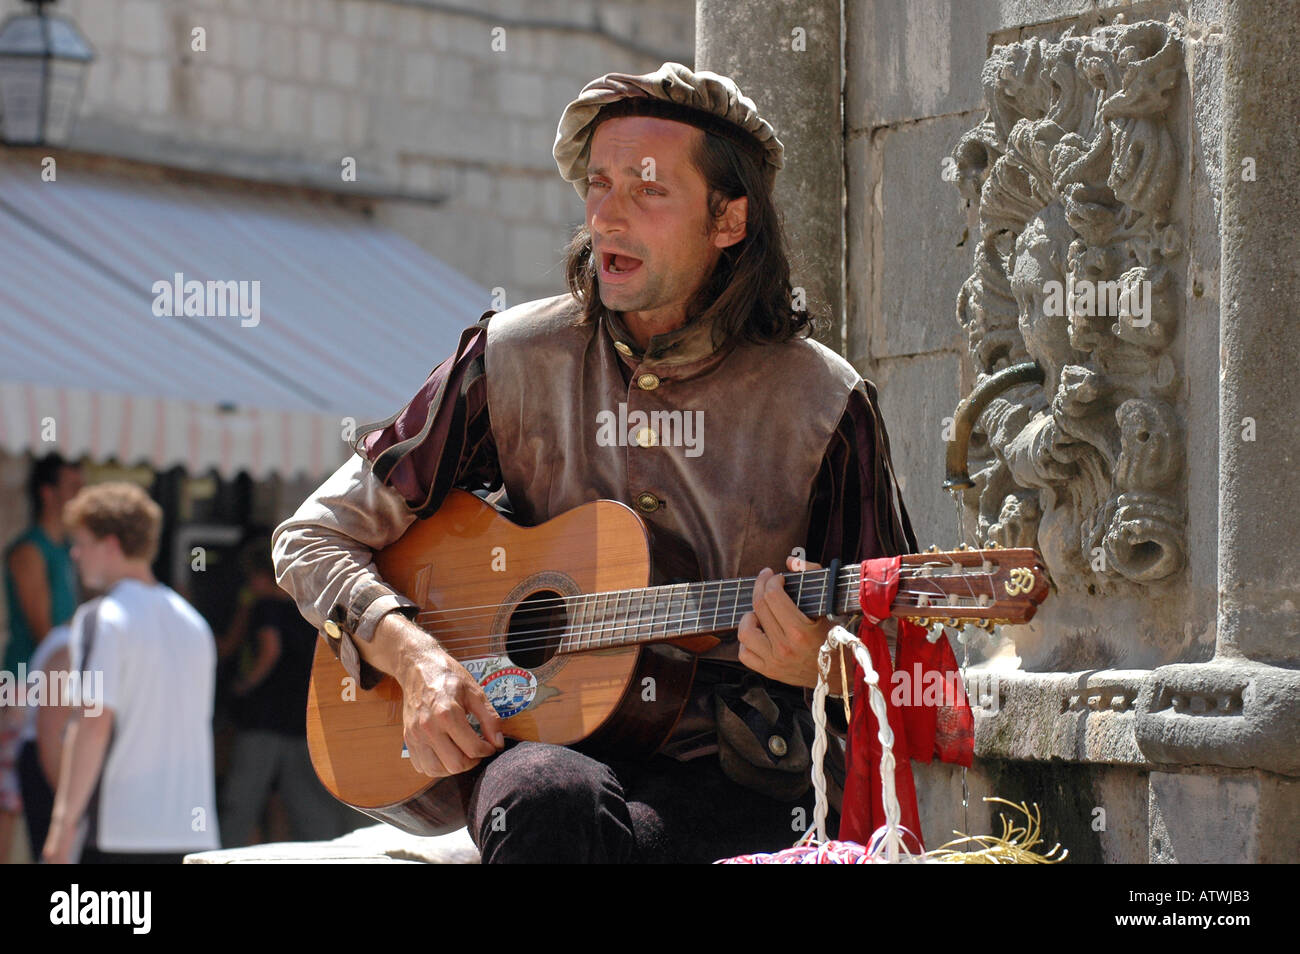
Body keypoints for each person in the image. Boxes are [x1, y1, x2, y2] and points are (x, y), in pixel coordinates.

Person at [273, 63, 948, 863]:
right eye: (597, 185)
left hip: (737, 781)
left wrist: (823, 665)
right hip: (537, 754)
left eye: (646, 189)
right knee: (545, 796)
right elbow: (310, 538)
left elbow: (903, 645)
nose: (607, 214)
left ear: (728, 220)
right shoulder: (511, 355)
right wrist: (412, 656)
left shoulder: (825, 402)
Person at [42, 482, 220, 863]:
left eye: (83, 542)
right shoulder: (194, 623)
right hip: (192, 835)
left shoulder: (100, 618)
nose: (76, 553)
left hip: (121, 832)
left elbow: (91, 723)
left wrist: (61, 827)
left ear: (110, 544)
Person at [218, 538, 358, 846]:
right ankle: (328, 851)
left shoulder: (266, 608)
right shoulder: (308, 610)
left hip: (263, 719)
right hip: (300, 719)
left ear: (259, 577)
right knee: (308, 801)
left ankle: (227, 852)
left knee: (243, 799)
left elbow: (270, 648)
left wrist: (244, 685)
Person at [0, 452, 82, 861]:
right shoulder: (29, 550)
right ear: (48, 493)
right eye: (72, 488)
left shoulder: (69, 549)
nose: (79, 497)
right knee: (9, 799)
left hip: (56, 686)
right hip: (21, 685)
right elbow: (43, 631)